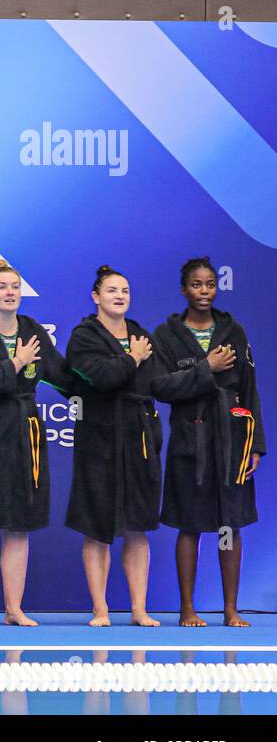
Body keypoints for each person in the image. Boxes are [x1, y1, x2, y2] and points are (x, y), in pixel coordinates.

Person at [151, 256, 264, 628]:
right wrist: (205, 369)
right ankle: (187, 608)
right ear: (184, 289)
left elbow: (249, 388)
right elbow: (161, 387)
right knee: (190, 525)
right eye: (197, 285)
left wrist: (255, 446)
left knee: (229, 525)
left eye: (210, 284)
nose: (204, 291)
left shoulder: (234, 331)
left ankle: (231, 609)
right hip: (191, 437)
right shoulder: (166, 335)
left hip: (231, 438)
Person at [0, 259, 70, 627]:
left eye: (15, 287)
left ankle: (13, 608)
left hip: (26, 433)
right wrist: (16, 363)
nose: (10, 293)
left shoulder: (33, 329)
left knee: (19, 524)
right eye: (2, 287)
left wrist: (105, 383)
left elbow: (65, 375)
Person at [65, 265, 164, 627]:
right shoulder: (83, 336)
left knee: (137, 528)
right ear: (96, 297)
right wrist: (132, 359)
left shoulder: (140, 333)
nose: (120, 295)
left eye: (125, 290)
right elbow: (104, 377)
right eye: (111, 290)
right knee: (98, 527)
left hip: (137, 440)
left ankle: (139, 608)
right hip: (99, 439)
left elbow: (153, 385)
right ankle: (100, 609)